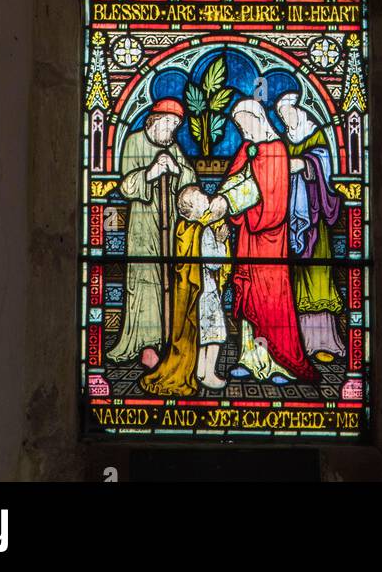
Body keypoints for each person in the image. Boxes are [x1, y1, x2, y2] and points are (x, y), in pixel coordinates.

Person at [209, 99, 316, 384]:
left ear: (258, 119)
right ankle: (250, 357)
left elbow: (268, 192)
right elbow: (234, 178)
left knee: (271, 299)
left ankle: (278, 362)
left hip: (269, 237)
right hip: (247, 237)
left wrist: (228, 201)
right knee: (249, 297)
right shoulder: (247, 149)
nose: (242, 129)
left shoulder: (277, 150)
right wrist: (221, 204)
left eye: (245, 123)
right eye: (239, 125)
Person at [107, 97, 195, 368]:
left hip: (168, 227)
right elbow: (126, 184)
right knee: (145, 281)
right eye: (168, 122)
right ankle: (145, 344)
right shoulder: (135, 141)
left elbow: (189, 178)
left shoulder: (173, 146)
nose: (171, 129)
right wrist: (151, 171)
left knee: (167, 280)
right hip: (143, 226)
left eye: (175, 125)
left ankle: (167, 339)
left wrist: (178, 170)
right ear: (154, 121)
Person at [268, 73, 345, 363]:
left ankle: (322, 341)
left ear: (301, 110)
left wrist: (306, 163)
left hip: (314, 223)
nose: (285, 120)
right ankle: (295, 339)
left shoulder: (317, 134)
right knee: (293, 277)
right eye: (281, 115)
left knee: (317, 274)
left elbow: (328, 165)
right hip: (288, 219)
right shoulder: (282, 141)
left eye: (288, 113)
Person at [141, 184, 230, 396]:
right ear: (193, 209)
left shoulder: (183, 229)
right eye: (201, 198)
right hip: (206, 290)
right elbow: (214, 263)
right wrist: (220, 241)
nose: (206, 199)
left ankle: (198, 371)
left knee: (200, 334)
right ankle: (209, 375)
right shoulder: (203, 231)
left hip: (191, 292)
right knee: (215, 333)